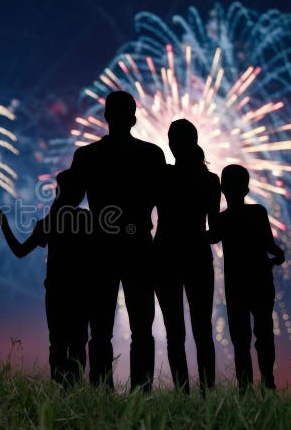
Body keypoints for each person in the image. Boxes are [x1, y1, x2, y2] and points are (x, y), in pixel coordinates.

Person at [48, 90, 166, 391]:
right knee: (142, 329)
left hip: (99, 248)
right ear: (133, 118)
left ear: (106, 116)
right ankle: (142, 392)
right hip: (139, 245)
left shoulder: (87, 156)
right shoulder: (152, 155)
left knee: (100, 330)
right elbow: (163, 203)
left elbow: (67, 202)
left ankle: (101, 389)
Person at [0, 170, 91, 385]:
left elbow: (20, 251)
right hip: (82, 291)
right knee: (78, 343)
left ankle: (61, 389)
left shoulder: (50, 221)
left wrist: (4, 226)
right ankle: (75, 388)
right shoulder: (87, 219)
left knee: (57, 343)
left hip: (56, 290)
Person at [153, 119, 221, 394]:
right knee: (203, 331)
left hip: (164, 257)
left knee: (174, 334)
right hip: (197, 257)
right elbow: (215, 233)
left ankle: (182, 395)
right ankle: (208, 395)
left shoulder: (162, 175)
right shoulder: (210, 180)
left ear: (171, 143)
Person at [215, 164, 285, 391]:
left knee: (240, 340)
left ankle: (244, 388)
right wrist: (278, 256)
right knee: (264, 333)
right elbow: (270, 245)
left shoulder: (222, 219)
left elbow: (210, 237)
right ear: (246, 189)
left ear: (222, 189)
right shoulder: (258, 212)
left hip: (235, 284)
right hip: (260, 280)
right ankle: (268, 382)